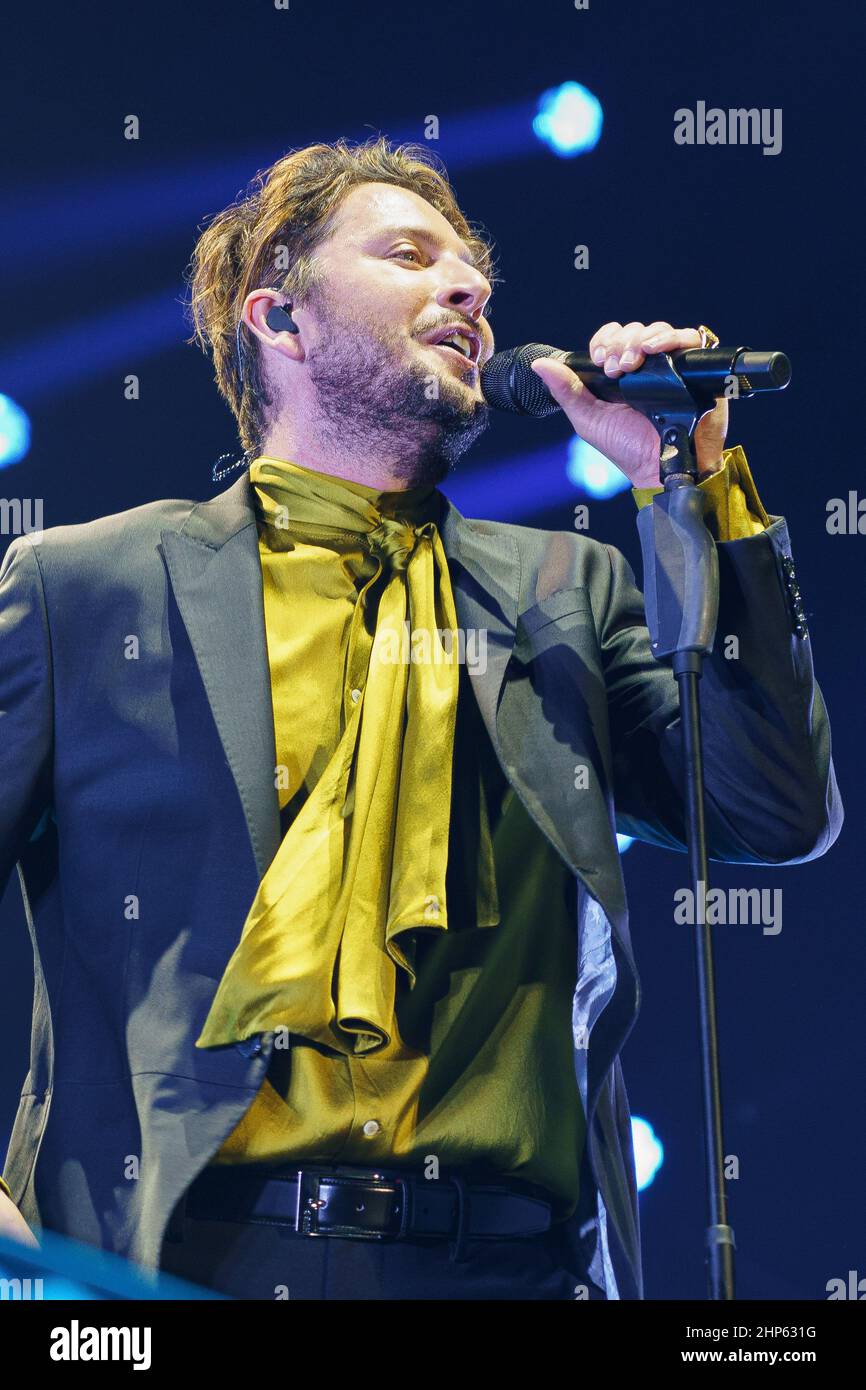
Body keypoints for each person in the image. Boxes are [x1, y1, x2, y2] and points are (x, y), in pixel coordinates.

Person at [0, 137, 842, 1300]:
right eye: (409, 253)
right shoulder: (84, 588)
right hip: (185, 1261)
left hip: (510, 1268)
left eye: (477, 269)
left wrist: (688, 489)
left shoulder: (563, 591)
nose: (471, 288)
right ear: (279, 320)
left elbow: (771, 811)